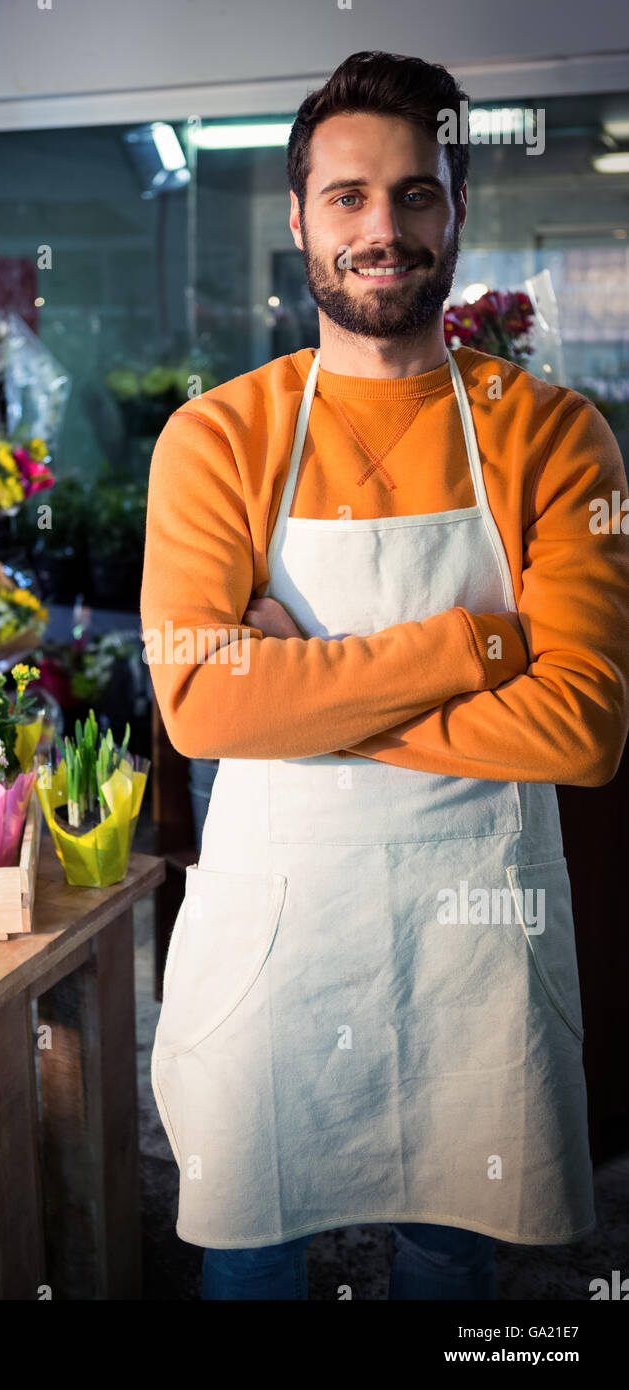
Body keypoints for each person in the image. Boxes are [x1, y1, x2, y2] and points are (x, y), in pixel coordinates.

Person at [140, 50, 629, 1300]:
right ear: (299, 217)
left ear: (456, 210)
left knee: (454, 1263)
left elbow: (579, 730)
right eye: (347, 197)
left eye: (415, 194)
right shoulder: (217, 438)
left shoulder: (554, 435)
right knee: (248, 1256)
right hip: (274, 944)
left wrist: (300, 690)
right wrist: (473, 645)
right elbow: (202, 705)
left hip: (477, 954)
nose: (383, 227)